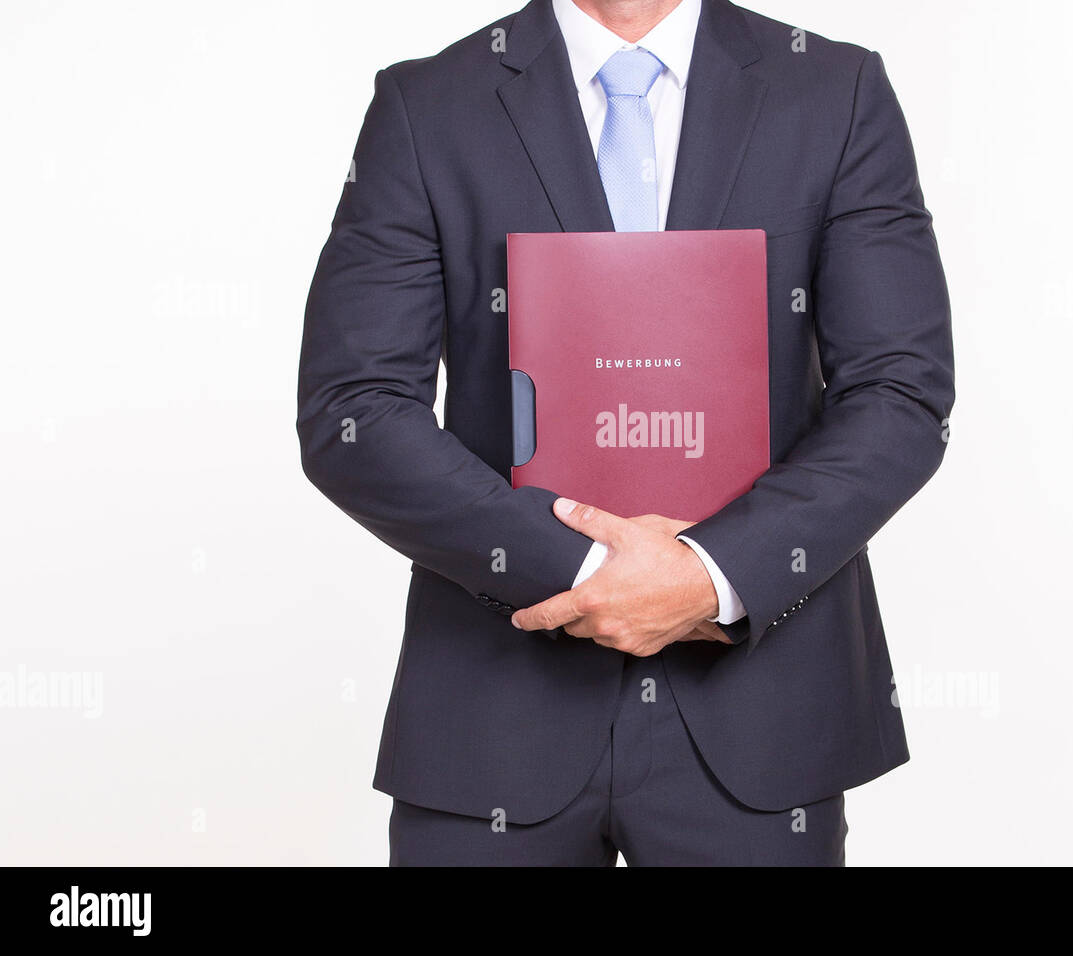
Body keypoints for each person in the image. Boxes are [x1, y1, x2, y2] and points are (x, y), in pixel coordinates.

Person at [297, 0, 954, 866]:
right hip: (495, 711)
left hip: (761, 718)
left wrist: (711, 574)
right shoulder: (428, 104)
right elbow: (355, 407)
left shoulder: (833, 91)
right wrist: (586, 572)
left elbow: (900, 392)